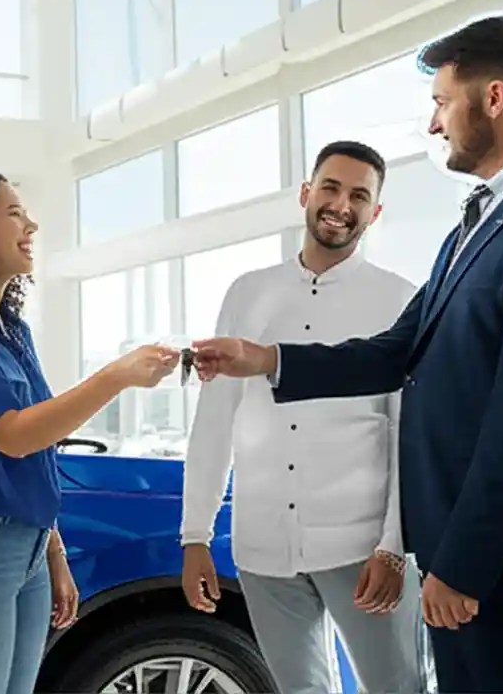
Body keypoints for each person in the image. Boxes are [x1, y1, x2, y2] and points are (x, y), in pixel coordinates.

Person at [191, 15, 503, 693]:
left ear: (493, 99)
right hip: (465, 564)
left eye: (440, 102)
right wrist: (269, 359)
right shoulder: (474, 225)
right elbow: (398, 351)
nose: (433, 126)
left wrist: (463, 564)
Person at [0, 171, 179, 694]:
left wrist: (53, 552)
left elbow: (38, 444)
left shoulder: (12, 332)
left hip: (25, 542)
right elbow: (14, 436)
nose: (32, 224)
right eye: (14, 213)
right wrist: (117, 376)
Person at [180, 140, 425, 694]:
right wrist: (195, 533)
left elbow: (406, 433)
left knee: (400, 688)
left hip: (363, 547)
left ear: (375, 213)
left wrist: (394, 545)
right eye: (332, 187)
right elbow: (216, 420)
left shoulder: (400, 299)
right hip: (264, 547)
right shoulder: (248, 292)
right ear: (306, 194)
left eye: (360, 195)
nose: (342, 204)